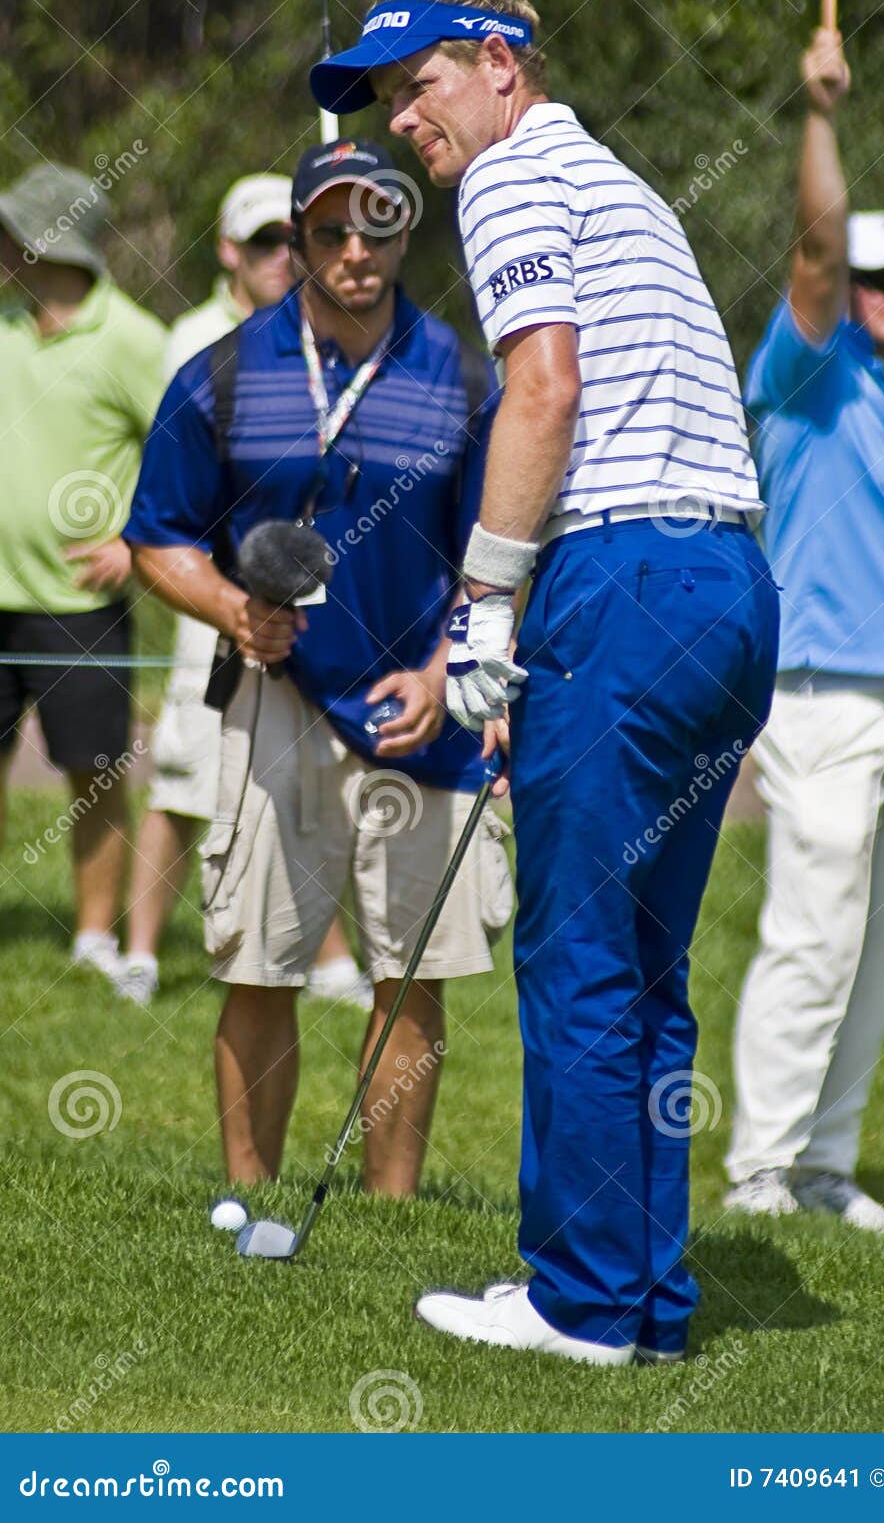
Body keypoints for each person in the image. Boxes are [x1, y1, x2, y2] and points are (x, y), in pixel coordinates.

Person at [312, 0, 779, 1363]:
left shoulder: (511, 177)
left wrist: (483, 614)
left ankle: (578, 1301)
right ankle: (643, 1301)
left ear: (501, 60)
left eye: (419, 83)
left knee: (576, 953)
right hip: (728, 590)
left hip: (623, 575)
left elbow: (544, 386)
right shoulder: (618, 183)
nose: (404, 119)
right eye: (389, 97)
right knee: (642, 957)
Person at [124, 139, 512, 1198]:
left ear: (403, 233)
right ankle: (247, 1191)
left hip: (412, 710)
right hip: (272, 695)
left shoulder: (462, 373)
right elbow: (157, 536)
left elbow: (500, 543)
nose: (355, 249)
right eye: (332, 229)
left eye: (376, 226)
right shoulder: (226, 371)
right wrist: (232, 611)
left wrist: (444, 670)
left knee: (409, 968)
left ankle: (390, 1208)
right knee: (258, 961)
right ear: (296, 238)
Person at [722, 29, 884, 1235]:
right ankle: (761, 1169)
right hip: (818, 697)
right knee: (812, 936)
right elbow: (814, 239)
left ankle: (824, 1165)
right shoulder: (808, 373)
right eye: (879, 278)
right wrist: (819, 111)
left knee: (879, 953)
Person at [123, 174, 366, 1010]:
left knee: (313, 775)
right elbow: (163, 478)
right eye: (260, 243)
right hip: (215, 598)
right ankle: (142, 952)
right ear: (230, 250)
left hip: (309, 599)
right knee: (187, 777)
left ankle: (325, 953)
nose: (275, 258)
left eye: (284, 242)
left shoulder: (331, 343)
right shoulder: (194, 342)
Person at [0, 162, 165, 981]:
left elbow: (185, 456)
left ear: (42, 241)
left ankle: (97, 936)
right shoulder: (2, 321)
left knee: (93, 775)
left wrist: (136, 545)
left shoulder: (134, 340)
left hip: (80, 605)